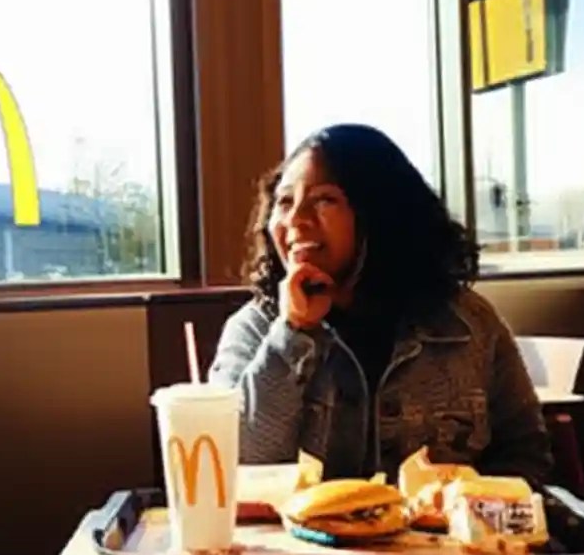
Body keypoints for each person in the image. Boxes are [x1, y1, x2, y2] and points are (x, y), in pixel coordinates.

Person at [207, 123, 553, 485]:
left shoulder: (467, 324)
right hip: (300, 542)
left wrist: (475, 511)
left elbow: (525, 453)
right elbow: (239, 463)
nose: (296, 220)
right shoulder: (253, 329)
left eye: (325, 199)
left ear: (379, 212)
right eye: (285, 201)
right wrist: (293, 331)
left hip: (443, 541)